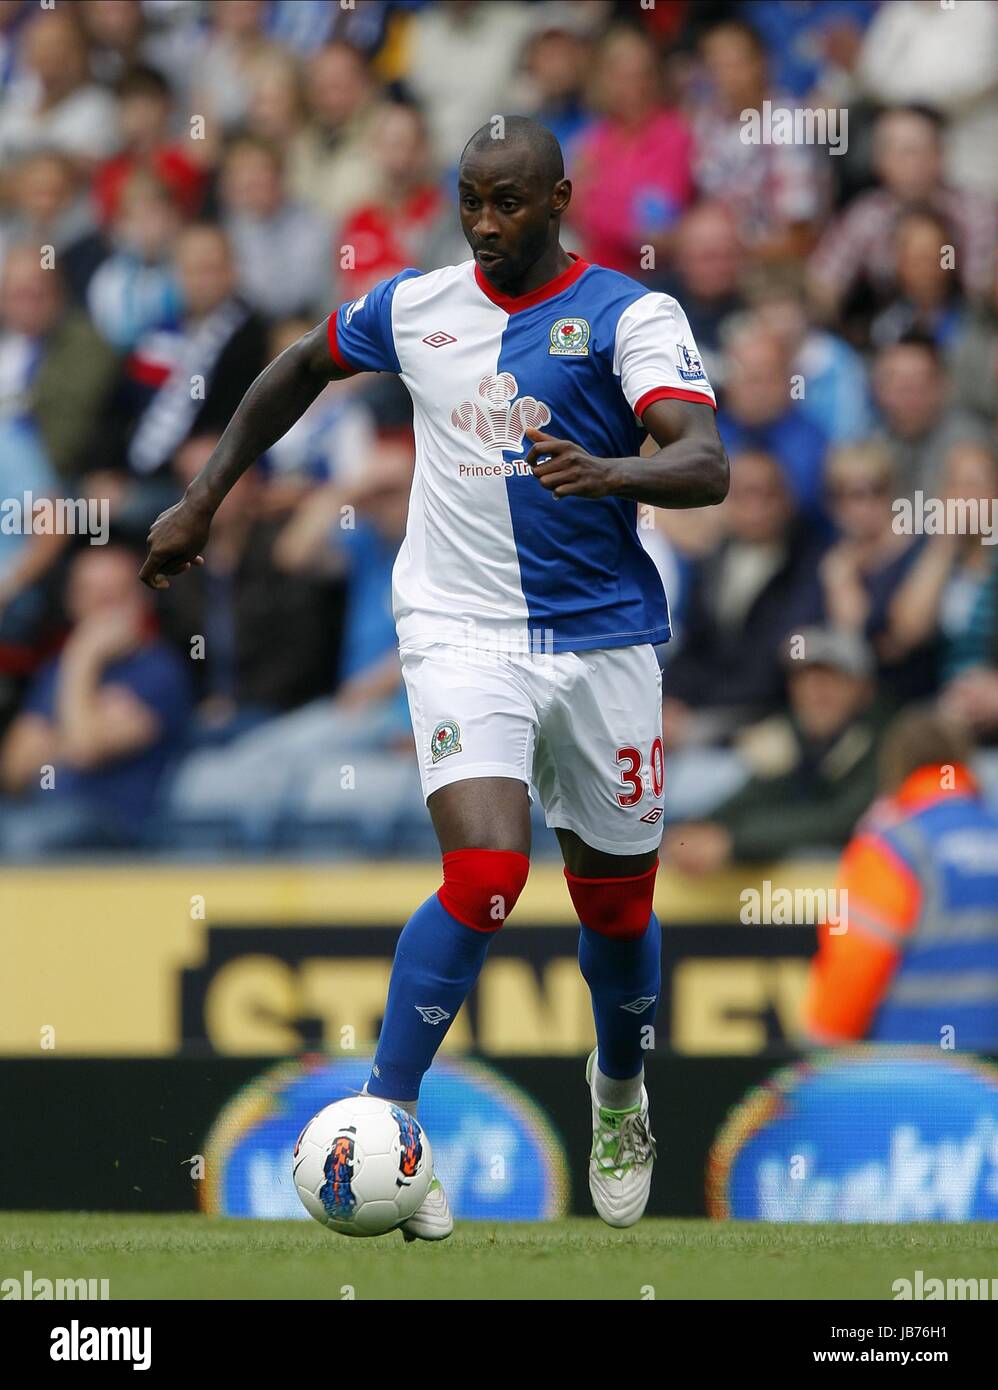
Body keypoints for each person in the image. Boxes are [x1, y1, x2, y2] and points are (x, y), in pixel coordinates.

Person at [140, 115, 729, 1235]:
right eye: (469, 200)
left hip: (601, 641)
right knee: (489, 871)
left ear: (559, 198)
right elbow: (299, 365)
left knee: (616, 911)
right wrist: (203, 498)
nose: (485, 223)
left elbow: (703, 462)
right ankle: (389, 1122)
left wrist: (610, 471)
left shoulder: (629, 315)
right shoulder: (415, 307)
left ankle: (616, 1092)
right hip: (459, 632)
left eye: (508, 202)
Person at [800, 709, 998, 1049]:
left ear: (896, 765)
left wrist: (818, 1051)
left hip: (916, 1077)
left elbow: (854, 967)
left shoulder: (893, 847)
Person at [0, 543, 192, 853]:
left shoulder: (160, 669)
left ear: (142, 599)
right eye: (91, 593)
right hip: (41, 812)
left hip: (114, 827)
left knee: (24, 838)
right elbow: (14, 769)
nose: (103, 605)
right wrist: (84, 722)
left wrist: (83, 657)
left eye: (115, 593)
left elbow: (84, 750)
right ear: (72, 601)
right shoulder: (53, 671)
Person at [665, 628, 886, 874]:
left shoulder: (885, 741)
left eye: (831, 680)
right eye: (806, 679)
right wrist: (702, 829)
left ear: (863, 689)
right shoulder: (789, 735)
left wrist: (734, 841)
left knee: (811, 857)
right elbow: (752, 796)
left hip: (858, 887)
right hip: (791, 890)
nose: (816, 692)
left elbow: (841, 822)